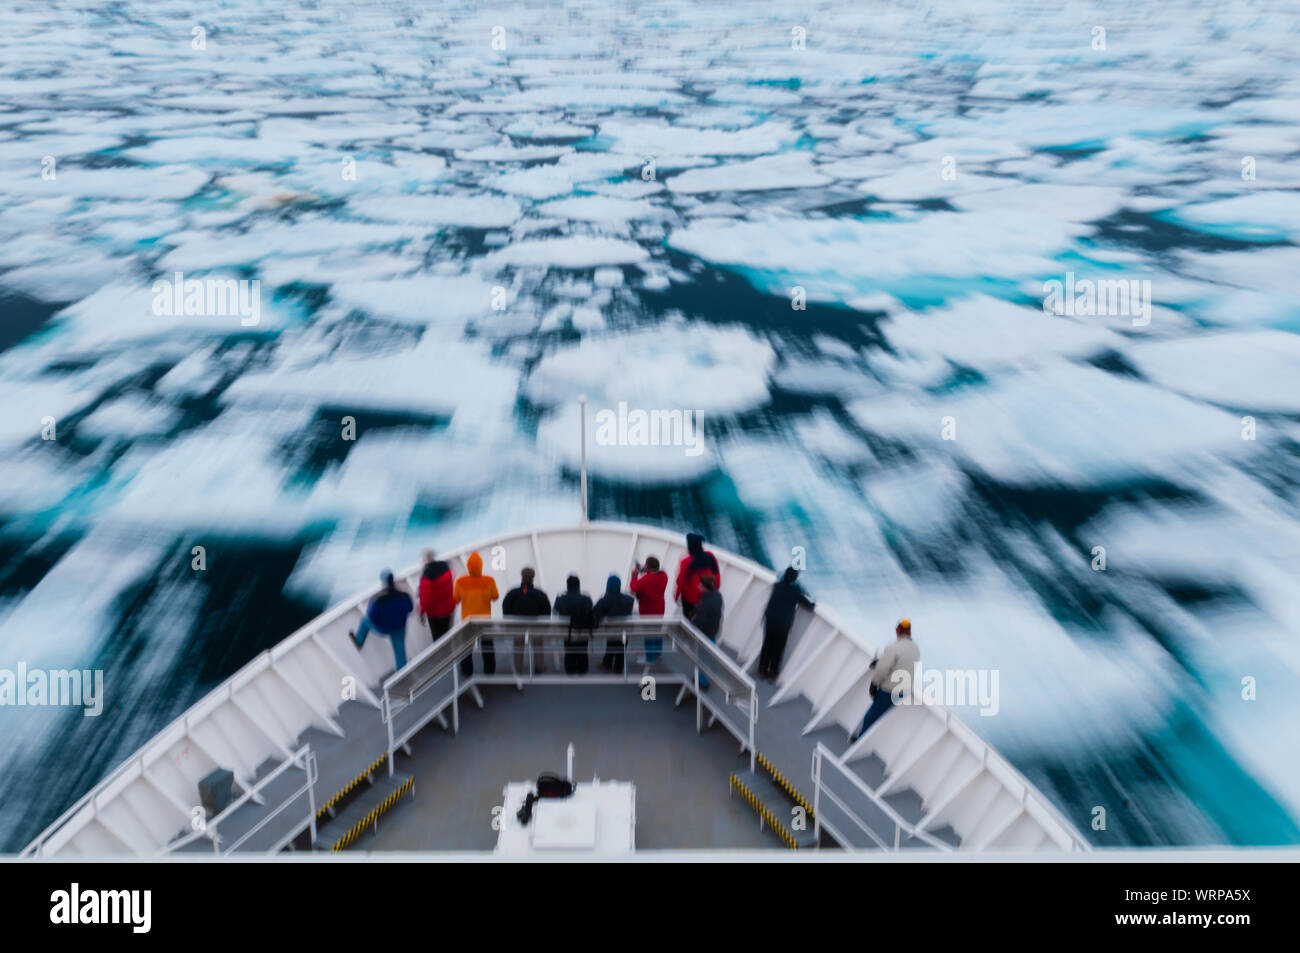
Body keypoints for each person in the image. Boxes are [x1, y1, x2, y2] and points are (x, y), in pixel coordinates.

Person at [850, 618, 920, 742]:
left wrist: (873, 685)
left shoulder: (893, 647)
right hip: (903, 692)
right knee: (883, 716)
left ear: (897, 630)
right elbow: (901, 663)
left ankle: (861, 741)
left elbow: (882, 669)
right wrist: (881, 661)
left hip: (889, 691)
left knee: (871, 717)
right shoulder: (915, 648)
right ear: (909, 632)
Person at [349, 569, 414, 672]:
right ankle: (403, 674)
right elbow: (410, 608)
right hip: (400, 627)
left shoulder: (377, 599)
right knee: (400, 653)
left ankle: (359, 641)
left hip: (383, 629)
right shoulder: (404, 595)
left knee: (365, 621)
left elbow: (371, 617)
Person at [758, 567, 815, 680]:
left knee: (767, 644)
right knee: (778, 648)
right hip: (783, 624)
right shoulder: (796, 591)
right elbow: (809, 605)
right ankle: (772, 671)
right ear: (795, 578)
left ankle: (762, 667)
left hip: (770, 620)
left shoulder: (777, 586)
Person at [454, 551, 499, 677]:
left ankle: (467, 671)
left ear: (468, 567)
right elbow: (495, 597)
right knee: (487, 646)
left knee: (466, 647)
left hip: (468, 621)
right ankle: (489, 670)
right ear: (481, 565)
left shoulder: (460, 581)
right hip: (484, 620)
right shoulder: (489, 580)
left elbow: (456, 599)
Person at [502, 567, 551, 674]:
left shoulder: (513, 593)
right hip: (536, 626)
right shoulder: (540, 594)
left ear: (522, 576)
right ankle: (540, 668)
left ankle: (518, 670)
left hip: (517, 626)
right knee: (538, 646)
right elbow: (547, 612)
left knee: (518, 648)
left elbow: (506, 609)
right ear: (533, 577)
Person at [554, 574, 595, 675]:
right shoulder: (586, 598)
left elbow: (555, 612)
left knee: (569, 648)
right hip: (583, 629)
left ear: (567, 585)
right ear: (578, 585)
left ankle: (570, 669)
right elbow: (591, 610)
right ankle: (582, 668)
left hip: (567, 631)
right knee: (582, 647)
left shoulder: (561, 599)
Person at [674, 532, 720, 622]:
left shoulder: (686, 562)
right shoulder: (711, 556)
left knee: (689, 620)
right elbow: (717, 579)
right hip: (707, 597)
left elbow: (681, 583)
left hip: (690, 599)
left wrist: (676, 596)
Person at [629, 556, 668, 662]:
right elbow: (655, 573)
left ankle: (650, 658)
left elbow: (633, 588)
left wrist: (634, 575)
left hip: (648, 611)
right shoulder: (664, 576)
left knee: (649, 634)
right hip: (660, 608)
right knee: (657, 631)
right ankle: (657, 652)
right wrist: (646, 570)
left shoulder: (645, 580)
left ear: (647, 566)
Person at [594, 574, 634, 674]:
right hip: (625, 631)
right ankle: (618, 668)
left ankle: (607, 664)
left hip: (611, 631)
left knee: (611, 645)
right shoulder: (629, 600)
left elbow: (596, 613)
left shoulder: (604, 600)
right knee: (621, 648)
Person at [691, 573, 724, 690]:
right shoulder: (718, 595)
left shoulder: (704, 605)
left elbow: (699, 624)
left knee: (702, 659)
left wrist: (693, 620)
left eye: (700, 584)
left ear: (705, 587)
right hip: (713, 630)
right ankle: (704, 677)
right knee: (709, 654)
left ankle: (703, 683)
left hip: (704, 635)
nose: (698, 586)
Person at [418, 548, 456, 643]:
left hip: (435, 614)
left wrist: (422, 613)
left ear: (425, 559)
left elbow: (425, 598)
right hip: (449, 609)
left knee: (438, 639)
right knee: (448, 635)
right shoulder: (446, 567)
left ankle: (445, 656)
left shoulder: (427, 575)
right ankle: (451, 653)